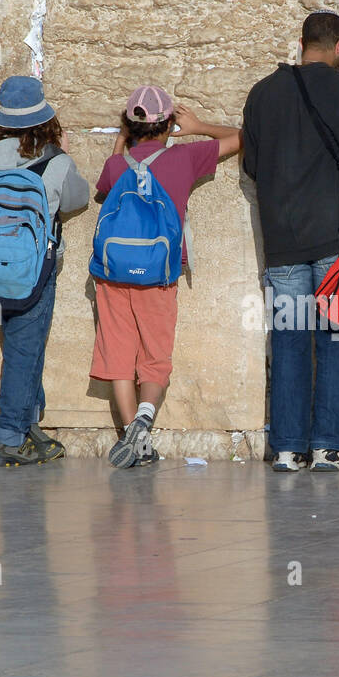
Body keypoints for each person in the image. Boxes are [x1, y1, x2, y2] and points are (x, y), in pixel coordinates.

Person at [242, 11, 339, 473]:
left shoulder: (263, 94)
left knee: (287, 341)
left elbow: (251, 166)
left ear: (301, 42)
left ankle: (287, 449)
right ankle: (328, 446)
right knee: (334, 338)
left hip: (283, 243)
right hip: (338, 241)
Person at [90, 85, 240, 468]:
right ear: (168, 123)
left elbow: (105, 188)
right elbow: (242, 138)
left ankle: (131, 437)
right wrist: (198, 127)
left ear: (129, 124)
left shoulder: (116, 165)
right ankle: (144, 420)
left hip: (112, 272)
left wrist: (120, 144)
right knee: (155, 357)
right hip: (159, 272)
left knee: (119, 356)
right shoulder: (184, 159)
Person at [0, 76, 89, 467]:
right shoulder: (56, 161)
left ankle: (28, 421)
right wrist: (64, 157)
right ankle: (8, 436)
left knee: (21, 347)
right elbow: (77, 199)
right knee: (24, 349)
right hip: (35, 268)